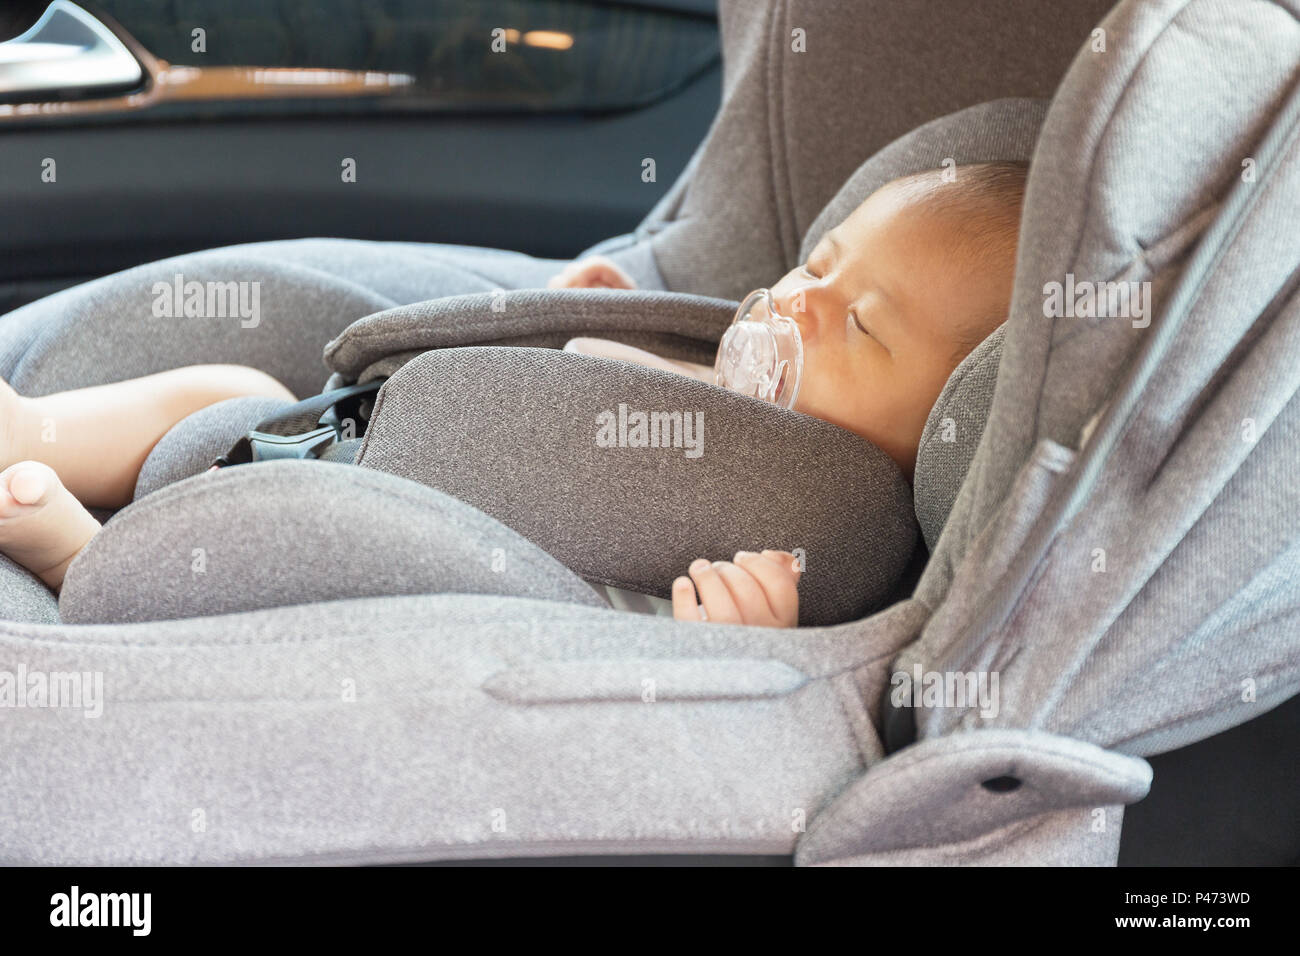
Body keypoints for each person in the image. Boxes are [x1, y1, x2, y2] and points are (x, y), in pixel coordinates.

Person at [0, 162, 1027, 626]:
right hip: (343, 430)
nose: (799, 305)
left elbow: (599, 616)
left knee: (303, 551)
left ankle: (95, 559)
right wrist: (578, 317)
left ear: (944, 433)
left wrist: (744, 649)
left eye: (860, 323)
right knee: (233, 387)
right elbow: (568, 376)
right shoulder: (721, 381)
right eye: (816, 265)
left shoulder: (814, 548)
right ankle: (35, 430)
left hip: (394, 549)